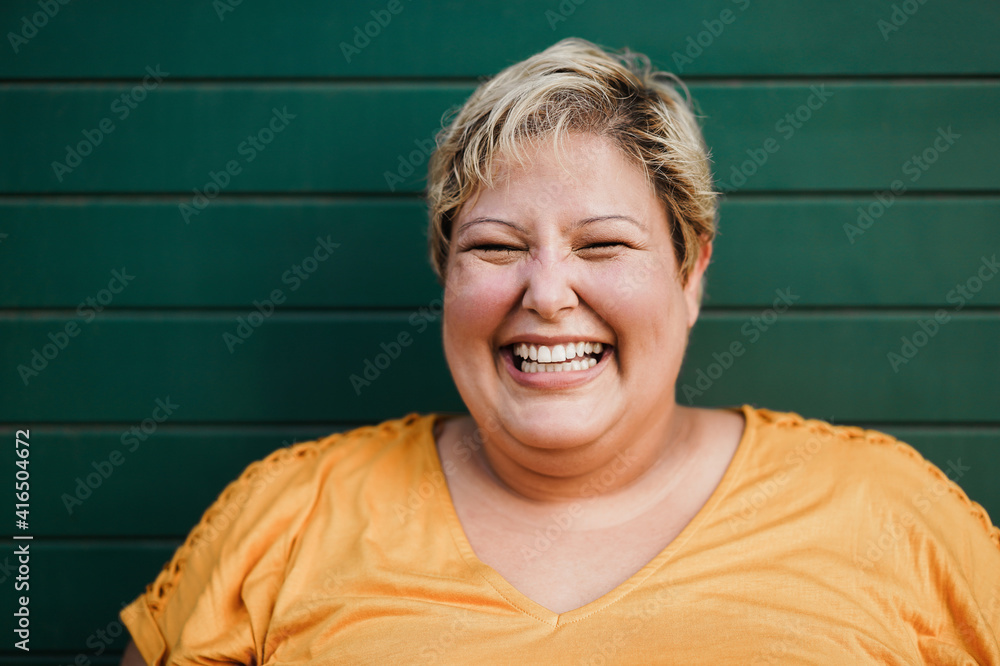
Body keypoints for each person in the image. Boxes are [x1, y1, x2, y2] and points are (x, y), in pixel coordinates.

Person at [119, 37, 1000, 664]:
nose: (545, 293)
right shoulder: (284, 519)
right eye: (496, 248)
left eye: (604, 246)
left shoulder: (896, 517)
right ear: (445, 275)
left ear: (689, 272)